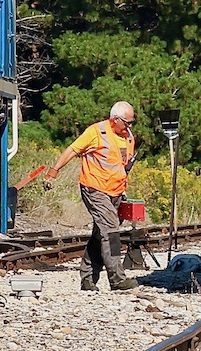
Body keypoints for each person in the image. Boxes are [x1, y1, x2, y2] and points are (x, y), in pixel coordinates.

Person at [43, 101, 138, 291]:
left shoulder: (128, 137)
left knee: (100, 233)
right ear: (115, 119)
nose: (129, 126)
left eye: (131, 122)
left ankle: (87, 277)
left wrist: (123, 189)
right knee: (110, 230)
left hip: (116, 192)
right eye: (127, 122)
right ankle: (117, 279)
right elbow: (72, 150)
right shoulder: (96, 132)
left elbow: (122, 166)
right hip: (95, 189)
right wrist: (53, 172)